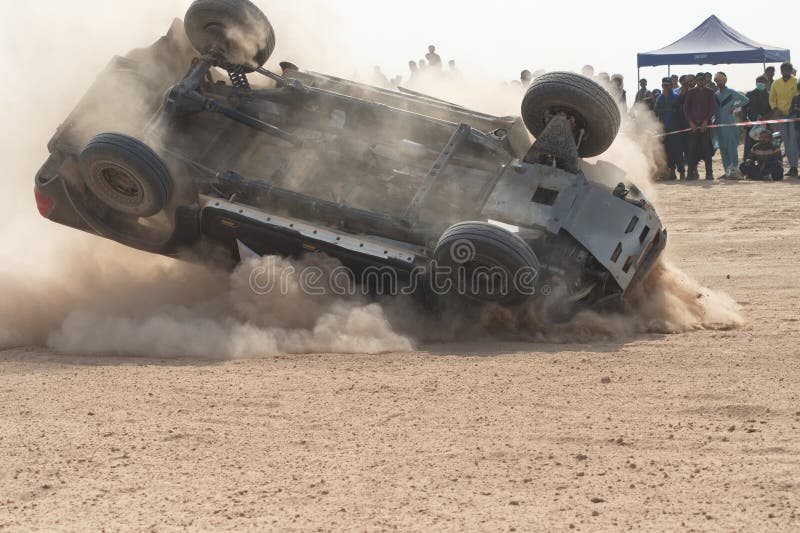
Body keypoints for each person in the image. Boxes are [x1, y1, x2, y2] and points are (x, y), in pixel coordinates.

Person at [713, 72, 749, 178]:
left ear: (725, 80)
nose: (718, 83)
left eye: (720, 80)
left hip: (729, 123)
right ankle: (727, 172)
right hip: (719, 124)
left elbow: (746, 100)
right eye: (717, 81)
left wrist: (735, 107)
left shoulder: (731, 92)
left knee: (731, 147)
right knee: (723, 149)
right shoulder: (716, 95)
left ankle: (734, 170)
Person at [684, 72, 717, 180]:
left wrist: (706, 121)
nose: (701, 81)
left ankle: (709, 173)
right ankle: (690, 173)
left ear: (705, 81)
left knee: (707, 149)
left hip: (705, 125)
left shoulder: (710, 92)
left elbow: (712, 108)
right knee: (691, 149)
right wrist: (691, 122)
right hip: (693, 125)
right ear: (696, 81)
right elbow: (686, 109)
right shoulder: (691, 92)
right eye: (699, 79)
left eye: (702, 79)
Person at [769, 62, 799, 177]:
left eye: (787, 69)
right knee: (786, 142)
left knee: (793, 141)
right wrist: (775, 108)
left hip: (794, 116)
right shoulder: (776, 83)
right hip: (782, 117)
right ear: (780, 71)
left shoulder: (796, 82)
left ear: (791, 71)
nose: (785, 71)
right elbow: (772, 99)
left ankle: (794, 167)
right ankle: (792, 167)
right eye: (783, 69)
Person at [654, 77, 685, 179]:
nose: (666, 87)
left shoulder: (676, 97)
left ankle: (682, 172)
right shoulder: (660, 98)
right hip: (664, 129)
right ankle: (672, 171)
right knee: (667, 151)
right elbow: (656, 111)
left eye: (668, 85)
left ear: (671, 86)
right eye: (664, 85)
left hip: (676, 128)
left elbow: (681, 112)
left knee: (678, 150)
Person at [743, 76, 772, 157]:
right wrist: (744, 120)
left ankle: (764, 162)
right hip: (751, 124)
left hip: (764, 125)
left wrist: (765, 117)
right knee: (749, 146)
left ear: (766, 84)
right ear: (756, 83)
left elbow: (772, 109)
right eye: (759, 82)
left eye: (762, 82)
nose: (760, 84)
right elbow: (744, 108)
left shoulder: (769, 96)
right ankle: (747, 162)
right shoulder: (749, 94)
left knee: (764, 145)